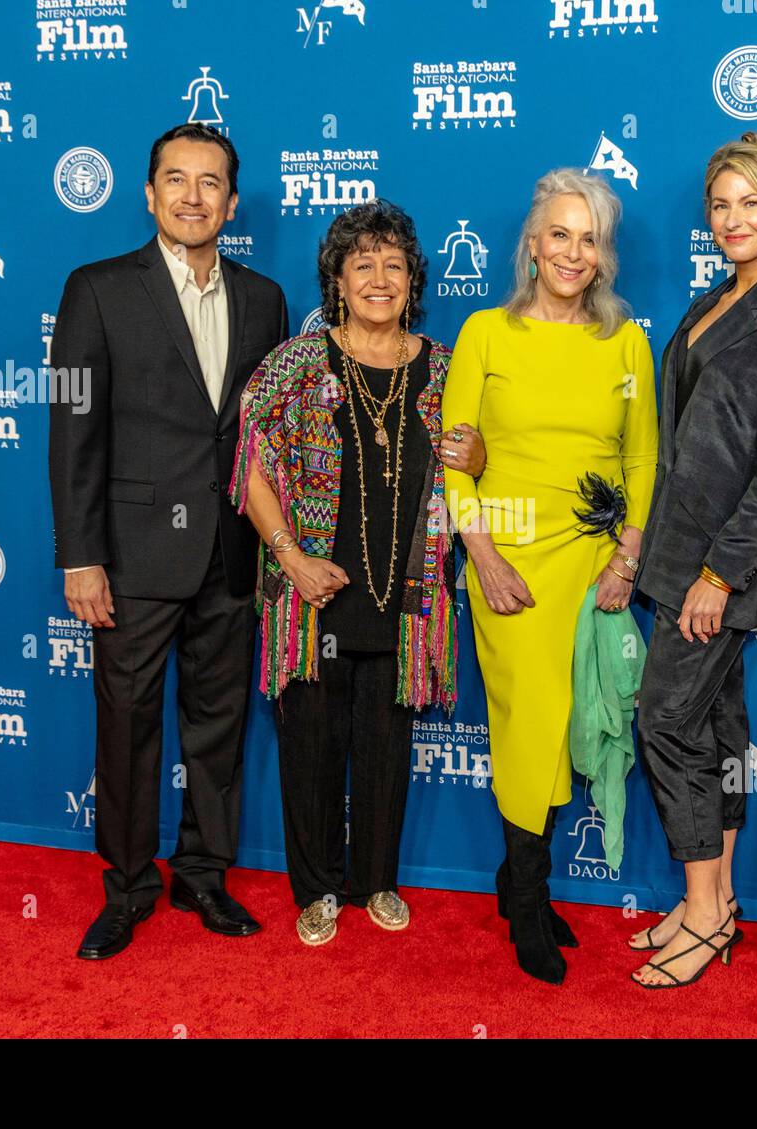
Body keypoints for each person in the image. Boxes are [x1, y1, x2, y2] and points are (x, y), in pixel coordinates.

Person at [49, 123, 289, 959]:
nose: (194, 196)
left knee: (218, 725)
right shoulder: (98, 289)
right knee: (125, 728)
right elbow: (73, 429)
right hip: (131, 556)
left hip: (231, 554)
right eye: (177, 180)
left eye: (211, 182)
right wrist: (80, 555)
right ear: (149, 194)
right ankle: (126, 887)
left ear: (232, 201)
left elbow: (263, 437)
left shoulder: (265, 299)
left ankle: (202, 874)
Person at [231, 200, 484, 946]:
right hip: (311, 601)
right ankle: (316, 889)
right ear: (337, 280)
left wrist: (480, 459)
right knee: (309, 753)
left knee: (386, 750)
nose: (379, 277)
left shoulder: (445, 370)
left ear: (413, 280)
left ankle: (376, 879)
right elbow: (248, 467)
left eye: (394, 264)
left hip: (404, 604)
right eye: (362, 263)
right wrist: (293, 559)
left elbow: (478, 464)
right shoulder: (295, 364)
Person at [629, 132, 757, 989]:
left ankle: (708, 914)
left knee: (665, 720)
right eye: (720, 204)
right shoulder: (709, 301)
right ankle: (710, 901)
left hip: (722, 567)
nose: (732, 219)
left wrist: (719, 575)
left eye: (751, 202)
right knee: (715, 727)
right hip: (675, 556)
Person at [442, 169, 658, 985]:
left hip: (595, 564)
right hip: (510, 561)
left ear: (604, 257)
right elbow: (456, 458)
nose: (574, 251)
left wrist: (628, 556)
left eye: (590, 238)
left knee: (577, 720)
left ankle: (511, 879)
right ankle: (528, 900)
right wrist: (483, 557)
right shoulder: (485, 334)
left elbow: (642, 455)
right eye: (559, 234)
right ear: (532, 245)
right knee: (529, 719)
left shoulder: (626, 342)